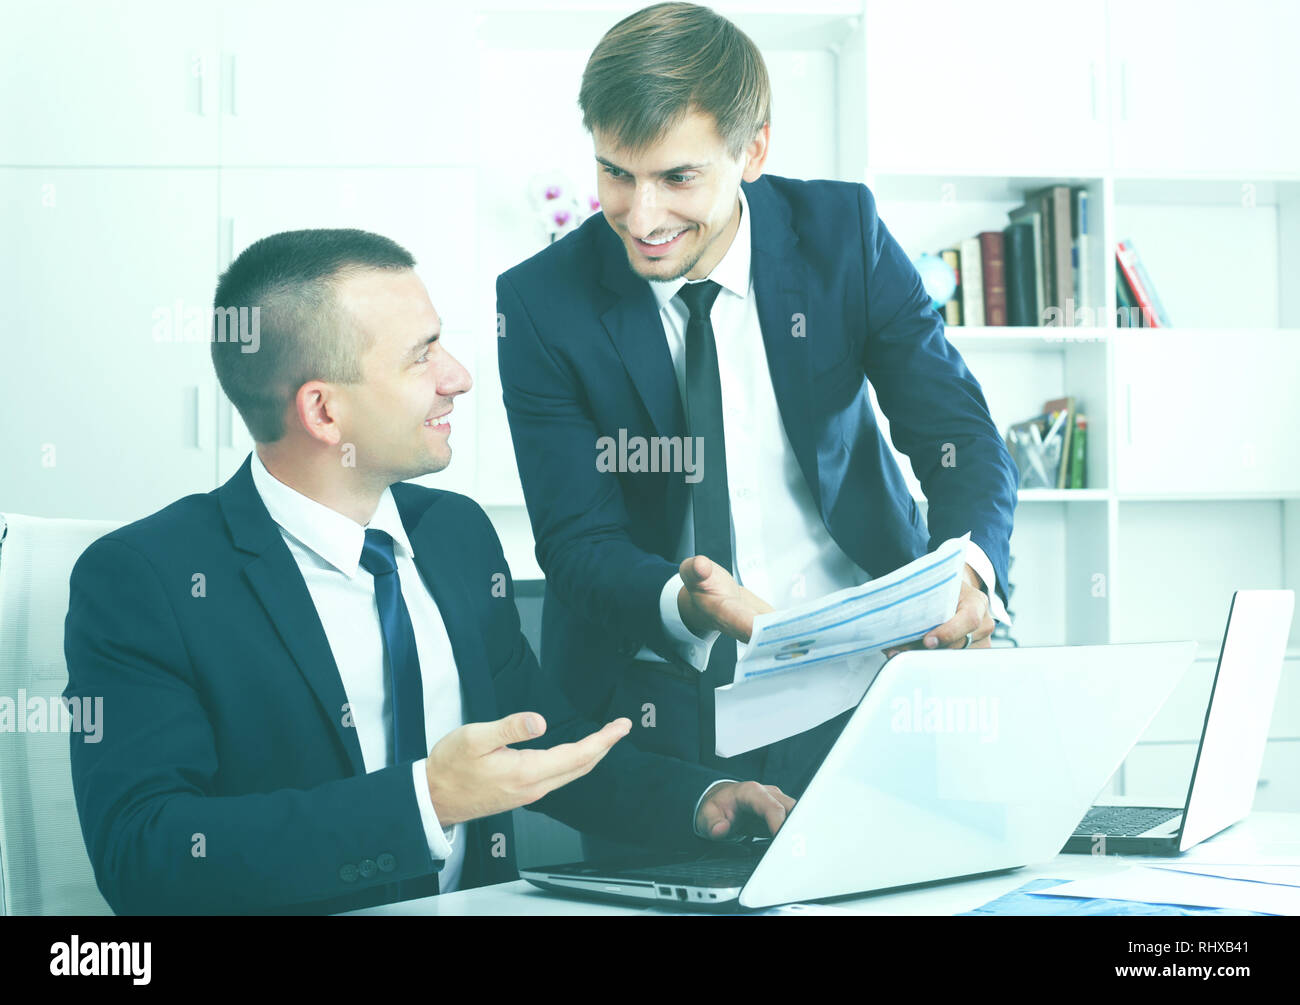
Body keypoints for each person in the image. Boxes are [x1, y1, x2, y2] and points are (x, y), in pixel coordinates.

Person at [63, 227, 793, 916]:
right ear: (323, 410)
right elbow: (143, 853)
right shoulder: (144, 580)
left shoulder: (454, 534)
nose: (459, 378)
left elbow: (542, 741)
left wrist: (707, 798)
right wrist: (424, 801)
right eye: (423, 355)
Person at [496, 2, 1017, 853]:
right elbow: (576, 538)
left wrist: (968, 570)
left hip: (870, 681)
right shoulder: (542, 301)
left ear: (755, 150)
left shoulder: (840, 235)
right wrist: (689, 603)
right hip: (661, 716)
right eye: (615, 173)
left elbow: (957, 435)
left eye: (677, 178)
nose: (639, 215)